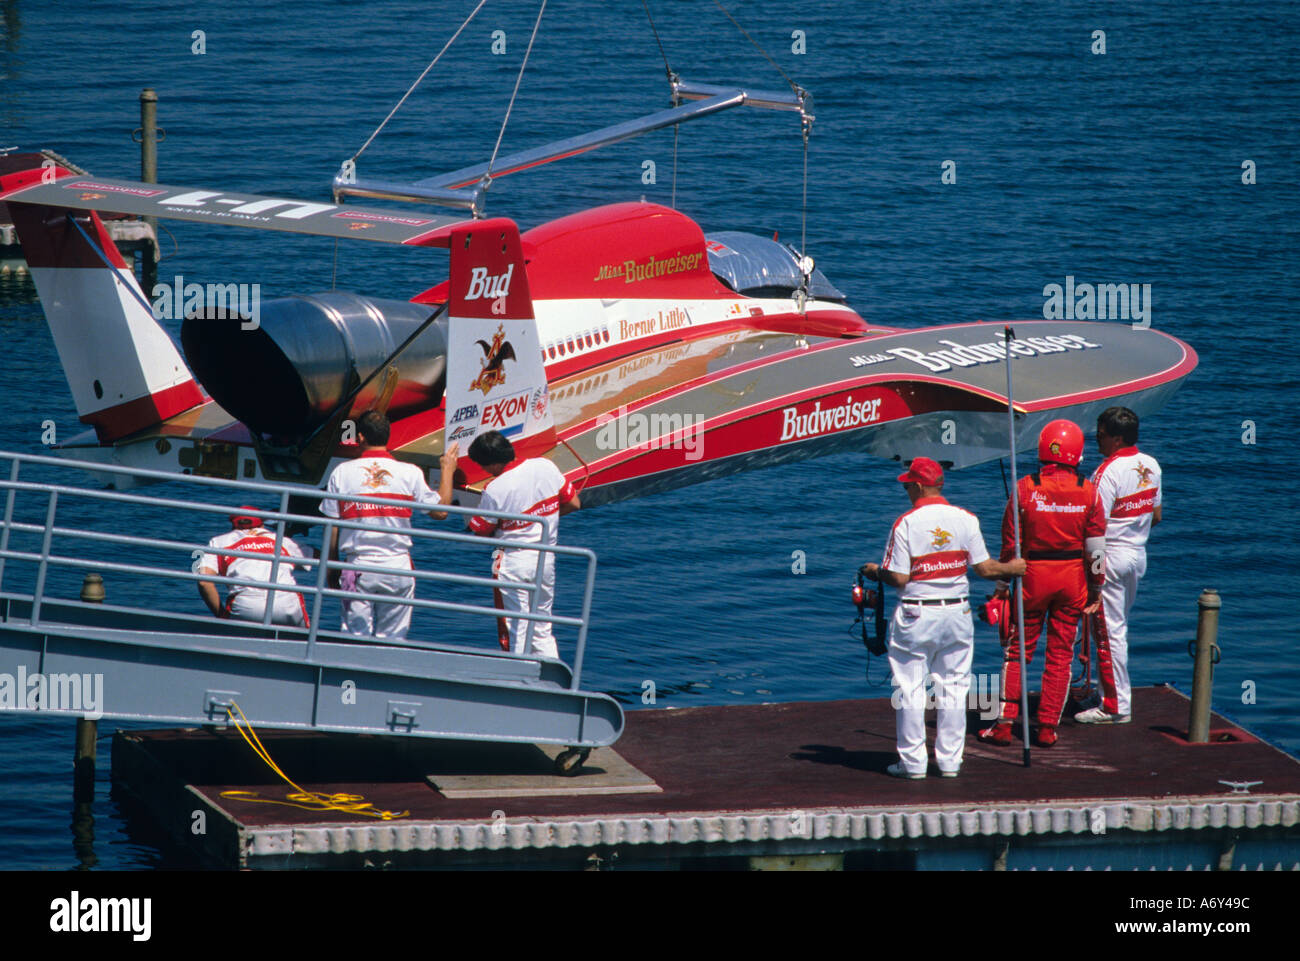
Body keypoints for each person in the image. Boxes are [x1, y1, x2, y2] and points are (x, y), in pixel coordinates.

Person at [861, 457, 1025, 779]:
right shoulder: (966, 519)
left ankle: (913, 764)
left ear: (919, 486)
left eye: (908, 485)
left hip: (916, 614)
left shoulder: (905, 523)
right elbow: (985, 569)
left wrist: (875, 571)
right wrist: (1013, 568)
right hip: (957, 613)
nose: (907, 490)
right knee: (954, 686)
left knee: (910, 689)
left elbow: (898, 578)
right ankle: (950, 762)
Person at [979, 420, 1107, 748]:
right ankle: (1048, 726)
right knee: (1061, 654)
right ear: (1077, 454)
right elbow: (1095, 547)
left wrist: (1002, 584)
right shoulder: (1089, 491)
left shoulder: (1024, 487)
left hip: (1030, 577)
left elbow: (1010, 544)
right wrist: (1096, 586)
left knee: (1018, 649)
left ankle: (1006, 723)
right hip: (1072, 579)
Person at [319, 410, 459, 639]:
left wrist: (332, 568)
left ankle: (351, 675)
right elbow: (441, 511)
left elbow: (332, 526)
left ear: (361, 437)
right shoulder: (410, 472)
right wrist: (447, 469)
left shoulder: (341, 473)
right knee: (393, 640)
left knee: (354, 637)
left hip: (357, 566)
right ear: (388, 437)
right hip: (397, 566)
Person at [1074, 407, 1162, 724]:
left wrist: (1093, 578)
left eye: (1101, 434)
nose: (1095, 438)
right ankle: (1110, 693)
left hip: (1109, 557)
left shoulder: (1105, 472)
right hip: (1137, 555)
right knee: (1117, 628)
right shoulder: (1151, 465)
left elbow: (1093, 527)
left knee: (1108, 633)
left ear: (1117, 438)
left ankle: (1115, 706)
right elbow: (1157, 514)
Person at [466, 430, 580, 659]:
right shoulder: (545, 466)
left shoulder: (494, 489)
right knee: (542, 626)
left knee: (515, 626)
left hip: (513, 562)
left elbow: (479, 530)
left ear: (491, 463)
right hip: (546, 557)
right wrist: (546, 519)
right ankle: (551, 673)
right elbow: (574, 503)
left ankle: (516, 677)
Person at [197, 507, 309, 627]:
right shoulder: (281, 540)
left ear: (233, 525)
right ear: (262, 524)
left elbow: (204, 582)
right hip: (287, 604)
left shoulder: (218, 542)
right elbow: (324, 557)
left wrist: (221, 615)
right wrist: (289, 533)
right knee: (305, 639)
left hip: (245, 605)